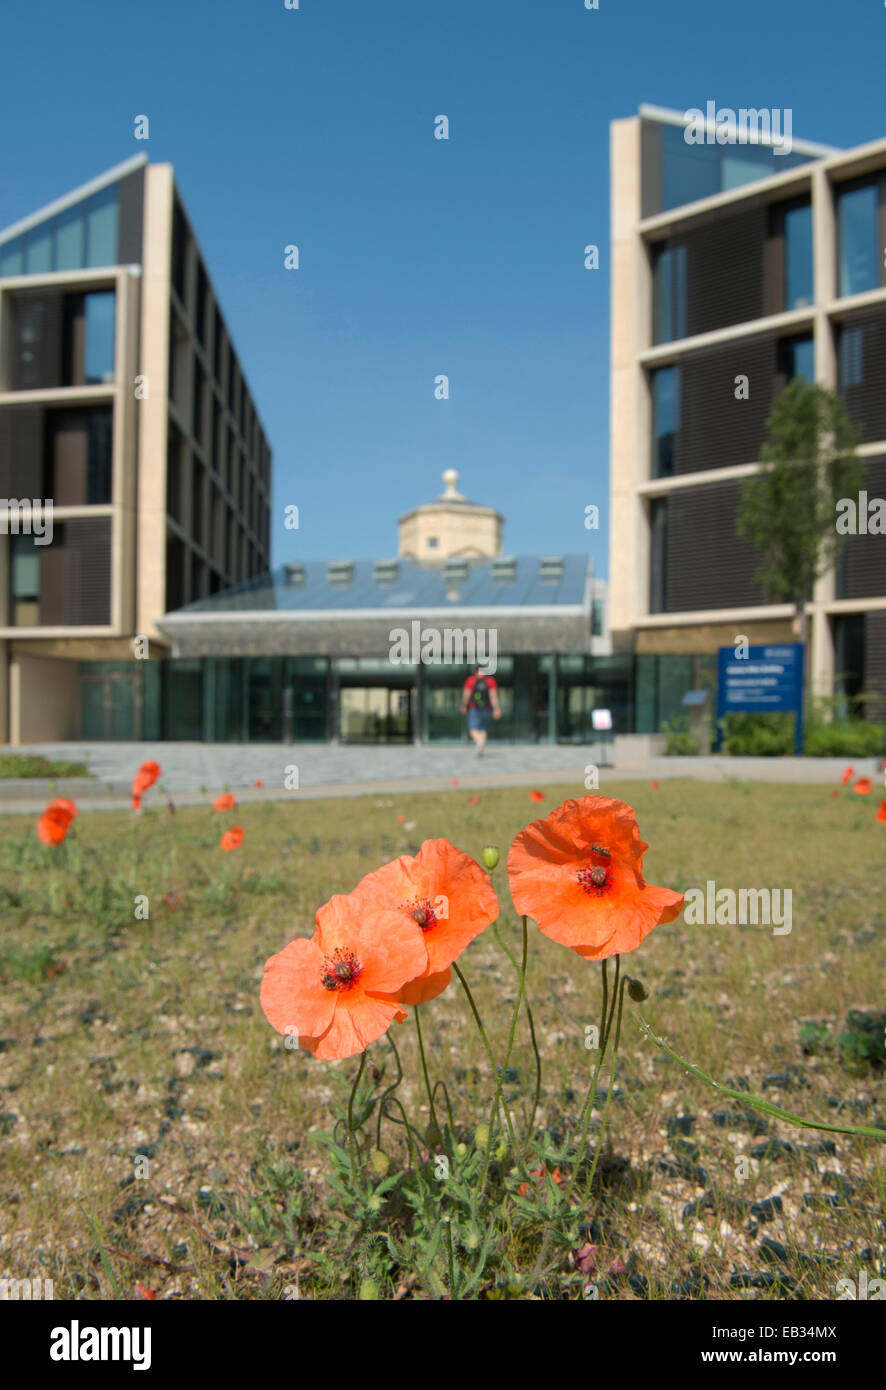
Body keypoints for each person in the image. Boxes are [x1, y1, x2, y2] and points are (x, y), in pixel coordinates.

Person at [460, 665, 501, 755]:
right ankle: (481, 745)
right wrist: (496, 709)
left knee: (473, 728)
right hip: (486, 707)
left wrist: (463, 706)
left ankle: (479, 743)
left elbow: (466, 694)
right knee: (482, 728)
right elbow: (493, 696)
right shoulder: (490, 681)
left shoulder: (471, 680)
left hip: (473, 707)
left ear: (475, 671)